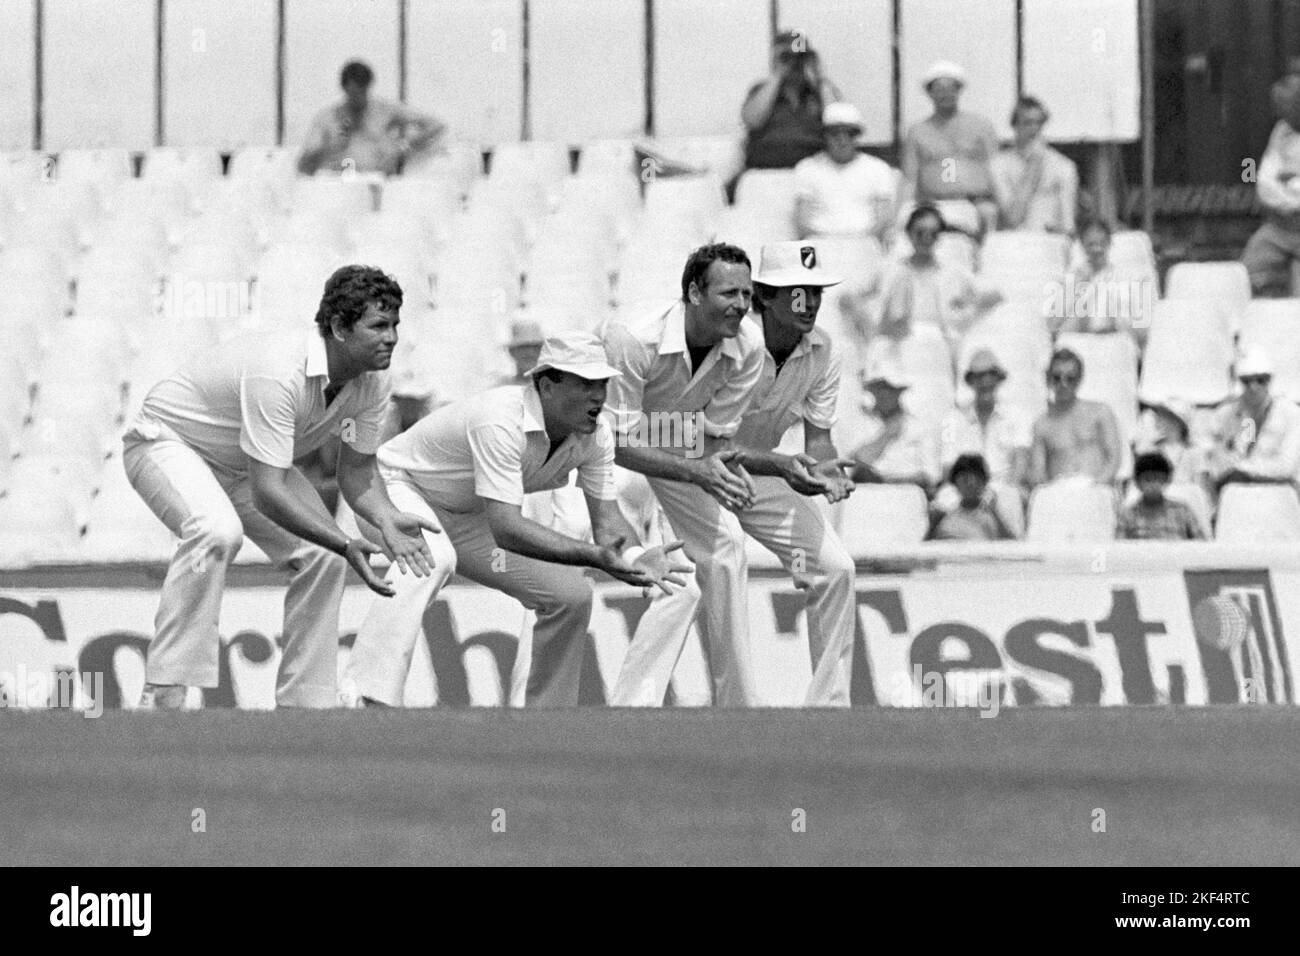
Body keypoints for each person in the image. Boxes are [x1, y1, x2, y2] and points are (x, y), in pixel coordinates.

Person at [122, 265, 441, 710]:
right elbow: (269, 493)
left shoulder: (372, 382)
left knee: (324, 556)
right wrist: (347, 541)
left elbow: (357, 472)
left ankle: (306, 703)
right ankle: (164, 691)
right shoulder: (279, 370)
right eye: (378, 326)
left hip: (245, 460)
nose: (391, 338)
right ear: (338, 328)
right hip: (168, 443)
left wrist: (385, 517)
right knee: (215, 531)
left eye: (394, 326)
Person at [345, 331, 694, 708]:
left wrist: (635, 555)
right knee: (434, 557)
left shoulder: (597, 435)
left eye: (603, 384)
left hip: (467, 514)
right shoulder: (499, 418)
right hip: (393, 488)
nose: (598, 395)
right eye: (585, 383)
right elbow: (508, 530)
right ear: (546, 385)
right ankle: (366, 696)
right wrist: (596, 557)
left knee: (569, 595)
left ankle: (545, 718)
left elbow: (607, 523)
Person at [610, 241, 858, 707]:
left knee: (834, 568)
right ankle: (718, 706)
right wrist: (772, 465)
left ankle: (830, 707)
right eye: (797, 293)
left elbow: (804, 440)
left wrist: (821, 470)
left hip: (743, 467)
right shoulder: (718, 338)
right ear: (767, 296)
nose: (810, 304)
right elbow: (673, 437)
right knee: (699, 568)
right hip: (676, 456)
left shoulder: (820, 350)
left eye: (816, 293)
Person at [602, 243, 767, 706]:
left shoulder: (748, 346)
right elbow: (616, 442)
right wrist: (700, 471)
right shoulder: (634, 337)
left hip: (670, 440)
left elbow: (713, 435)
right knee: (563, 578)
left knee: (718, 551)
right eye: (728, 293)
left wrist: (723, 473)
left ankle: (736, 707)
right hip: (586, 442)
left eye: (746, 294)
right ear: (694, 293)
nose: (739, 305)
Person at [839, 205, 1000, 351]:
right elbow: (846, 298)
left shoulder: (954, 271)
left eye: (933, 233)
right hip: (895, 344)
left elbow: (993, 296)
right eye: (920, 232)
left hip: (940, 343)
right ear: (909, 233)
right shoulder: (889, 268)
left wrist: (965, 308)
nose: (927, 238)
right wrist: (870, 328)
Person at [899, 61, 1000, 238]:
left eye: (951, 88)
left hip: (976, 203)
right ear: (929, 93)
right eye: (938, 89)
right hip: (931, 204)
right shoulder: (917, 131)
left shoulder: (981, 126)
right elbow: (909, 178)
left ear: (959, 90)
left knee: (989, 214)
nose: (945, 94)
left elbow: (997, 169)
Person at [298, 60, 446, 176]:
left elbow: (436, 125)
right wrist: (334, 146)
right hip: (340, 186)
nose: (357, 98)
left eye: (362, 92)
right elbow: (304, 164)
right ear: (344, 89)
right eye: (353, 93)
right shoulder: (327, 118)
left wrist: (403, 148)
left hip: (380, 183)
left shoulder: (383, 110)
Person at [937, 349, 1030, 532]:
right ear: (970, 381)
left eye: (990, 375)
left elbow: (1020, 465)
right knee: (942, 503)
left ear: (998, 378)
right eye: (979, 376)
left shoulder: (1018, 417)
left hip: (1003, 485)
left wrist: (994, 493)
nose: (985, 381)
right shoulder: (951, 419)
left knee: (1010, 499)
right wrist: (971, 491)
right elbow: (947, 469)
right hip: (963, 486)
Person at [793, 102, 896, 242]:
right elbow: (802, 222)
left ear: (857, 136)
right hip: (819, 245)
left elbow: (883, 220)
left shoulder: (878, 168)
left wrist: (859, 243)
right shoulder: (807, 168)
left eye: (849, 133)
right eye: (835, 133)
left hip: (864, 244)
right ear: (824, 136)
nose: (842, 140)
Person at [741, 30, 841, 173]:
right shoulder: (761, 90)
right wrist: (777, 76)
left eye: (799, 56)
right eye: (786, 57)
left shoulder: (822, 90)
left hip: (814, 170)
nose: (793, 62)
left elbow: (838, 122)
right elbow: (752, 120)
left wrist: (818, 78)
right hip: (766, 170)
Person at [1201, 349, 1300, 492]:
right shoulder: (1236, 414)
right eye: (1246, 381)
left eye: (1260, 380)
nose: (1253, 387)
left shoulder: (1291, 414)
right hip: (1240, 491)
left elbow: (1286, 466)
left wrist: (1244, 469)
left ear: (1269, 380)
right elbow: (1224, 453)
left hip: (1280, 493)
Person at [1027, 347, 1122, 487]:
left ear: (1079, 378)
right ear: (1049, 378)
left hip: (1097, 488)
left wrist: (1097, 486)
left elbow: (1114, 459)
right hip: (1059, 493)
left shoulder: (1101, 412)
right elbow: (1038, 471)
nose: (1063, 384)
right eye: (1057, 377)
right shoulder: (1042, 424)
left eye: (1070, 378)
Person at [1241, 71, 1300, 295]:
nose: (1279, 111)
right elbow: (1265, 182)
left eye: (1285, 105)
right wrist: (1291, 193)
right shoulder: (1281, 131)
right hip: (1279, 226)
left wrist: (1290, 181)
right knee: (1245, 274)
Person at [846, 361, 941, 492]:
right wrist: (887, 434)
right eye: (879, 387)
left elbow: (931, 476)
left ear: (899, 391)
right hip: (869, 497)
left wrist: (887, 481)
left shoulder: (920, 426)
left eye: (889, 388)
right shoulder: (862, 423)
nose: (884, 394)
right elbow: (857, 465)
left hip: (909, 497)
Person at [990, 95, 1078, 234]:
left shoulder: (1063, 165)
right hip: (1014, 240)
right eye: (1027, 123)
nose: (1034, 129)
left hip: (1050, 239)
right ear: (1015, 125)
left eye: (1039, 123)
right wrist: (1034, 166)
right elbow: (1012, 219)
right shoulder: (999, 164)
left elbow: (1068, 222)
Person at [1056, 220, 1148, 338]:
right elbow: (1055, 324)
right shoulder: (1072, 277)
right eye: (1091, 244)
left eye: (1101, 243)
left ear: (1109, 243)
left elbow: (1141, 328)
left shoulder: (1124, 277)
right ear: (1082, 245)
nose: (1096, 249)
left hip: (1115, 341)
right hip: (1079, 341)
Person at [1118, 452, 1207, 540]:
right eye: (1148, 479)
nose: (1153, 485)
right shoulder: (1128, 514)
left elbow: (1201, 543)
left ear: (1166, 480)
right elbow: (1118, 548)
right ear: (1137, 483)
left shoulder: (1182, 510)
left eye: (1158, 479)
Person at [927, 454, 1017, 541]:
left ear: (984, 483)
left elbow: (1013, 547)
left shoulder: (993, 519)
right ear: (955, 483)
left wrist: (996, 516)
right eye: (965, 479)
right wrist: (932, 527)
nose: (971, 484)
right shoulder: (945, 518)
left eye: (977, 479)